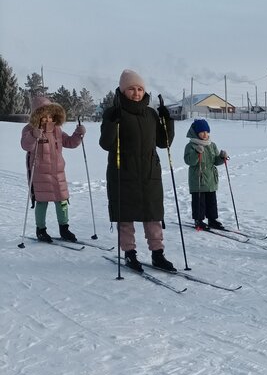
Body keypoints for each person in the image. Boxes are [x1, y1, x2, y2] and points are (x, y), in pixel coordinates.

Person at [99, 69, 176, 273]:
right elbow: (106, 144)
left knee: (152, 216)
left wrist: (167, 121)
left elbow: (163, 142)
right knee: (126, 217)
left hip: (149, 174)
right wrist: (110, 122)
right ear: (123, 90)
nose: (136, 93)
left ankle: (158, 254)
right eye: (131, 89)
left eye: (140, 89)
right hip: (123, 174)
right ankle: (130, 253)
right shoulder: (114, 112)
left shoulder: (151, 114)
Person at [21, 95, 84, 242]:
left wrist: (78, 134)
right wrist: (32, 135)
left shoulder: (57, 130)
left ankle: (64, 229)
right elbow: (26, 145)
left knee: (62, 200)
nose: (47, 118)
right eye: (43, 114)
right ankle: (41, 230)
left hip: (58, 172)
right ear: (37, 115)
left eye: (49, 114)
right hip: (40, 173)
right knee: (42, 202)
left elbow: (70, 142)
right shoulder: (29, 129)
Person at [184, 119, 229, 231]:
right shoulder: (191, 146)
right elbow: (189, 161)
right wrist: (196, 153)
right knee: (199, 201)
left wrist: (222, 158)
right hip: (198, 179)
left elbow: (215, 161)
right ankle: (198, 220)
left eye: (207, 131)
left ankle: (212, 220)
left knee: (211, 201)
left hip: (211, 180)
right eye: (202, 132)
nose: (205, 134)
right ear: (196, 132)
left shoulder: (211, 145)